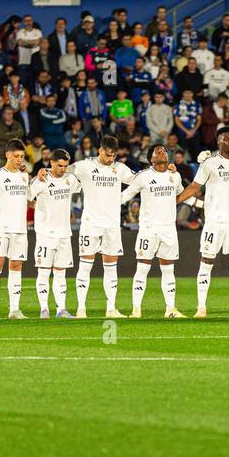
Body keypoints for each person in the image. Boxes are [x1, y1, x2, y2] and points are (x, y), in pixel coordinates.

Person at [176, 128, 229, 318]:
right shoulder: (209, 163)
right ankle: (201, 307)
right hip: (214, 222)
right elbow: (195, 187)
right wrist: (175, 200)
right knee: (207, 262)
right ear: (218, 142)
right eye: (226, 139)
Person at [72, 134, 137, 319]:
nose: (111, 159)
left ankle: (111, 309)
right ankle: (81, 309)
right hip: (91, 224)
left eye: (114, 156)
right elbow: (62, 170)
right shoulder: (85, 166)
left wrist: (164, 171)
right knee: (85, 266)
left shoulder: (120, 168)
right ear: (100, 150)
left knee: (111, 267)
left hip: (112, 226)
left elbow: (139, 181)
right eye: (108, 155)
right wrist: (45, 172)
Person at [121, 144, 186, 319]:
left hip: (169, 229)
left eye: (164, 151)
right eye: (157, 151)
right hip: (148, 229)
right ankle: (136, 310)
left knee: (168, 270)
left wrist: (204, 205)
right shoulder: (143, 177)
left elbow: (181, 196)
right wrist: (106, 204)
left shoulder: (175, 176)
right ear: (151, 159)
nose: (162, 152)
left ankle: (170, 309)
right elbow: (126, 194)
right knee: (142, 268)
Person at [28, 148, 82, 319]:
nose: (63, 169)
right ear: (51, 163)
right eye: (59, 165)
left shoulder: (70, 179)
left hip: (65, 233)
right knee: (44, 271)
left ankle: (61, 309)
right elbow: (27, 197)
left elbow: (81, 183)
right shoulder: (41, 179)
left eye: (65, 166)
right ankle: (44, 309)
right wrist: (39, 210)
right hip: (46, 233)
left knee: (61, 272)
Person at [0, 139, 32, 319]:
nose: (19, 160)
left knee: (16, 266)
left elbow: (30, 198)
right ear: (7, 155)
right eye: (16, 156)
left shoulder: (24, 176)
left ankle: (14, 310)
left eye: (22, 156)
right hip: (0, 228)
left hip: (19, 228)